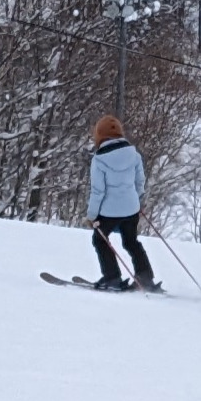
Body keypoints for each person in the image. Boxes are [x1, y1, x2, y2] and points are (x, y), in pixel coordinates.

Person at [86, 114, 158, 293]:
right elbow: (140, 181)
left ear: (99, 136)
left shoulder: (99, 159)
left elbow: (98, 191)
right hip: (131, 209)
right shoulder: (133, 154)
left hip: (109, 212)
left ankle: (112, 277)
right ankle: (145, 276)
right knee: (131, 241)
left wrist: (92, 215)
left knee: (100, 240)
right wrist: (137, 199)